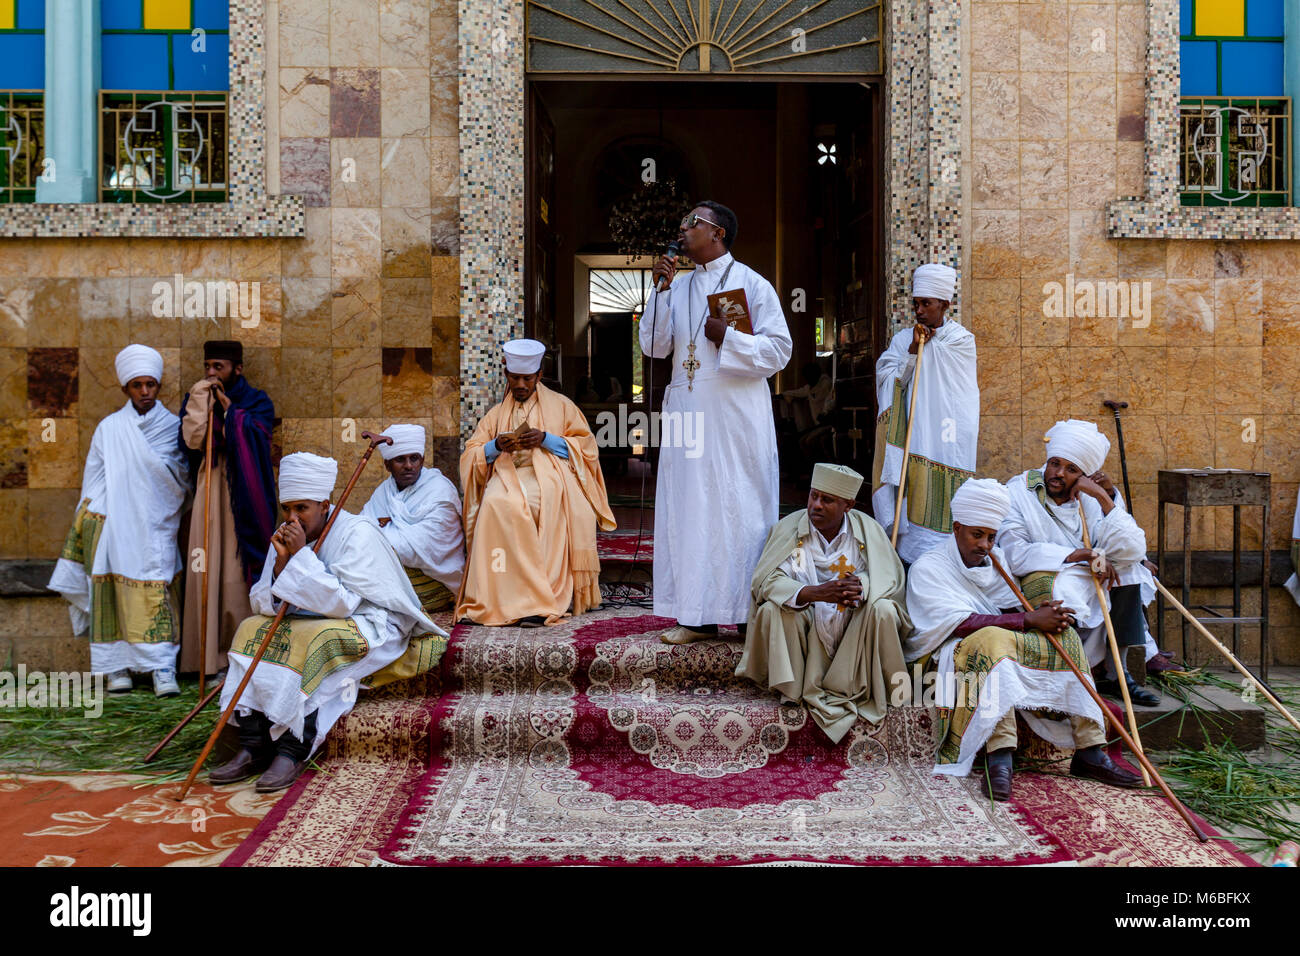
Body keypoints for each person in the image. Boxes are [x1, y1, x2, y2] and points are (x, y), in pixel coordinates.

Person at [210, 452, 447, 792]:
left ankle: (293, 748)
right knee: (249, 628)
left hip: (372, 621)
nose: (292, 518)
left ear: (324, 505)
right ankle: (253, 742)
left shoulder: (357, 533)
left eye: (302, 509)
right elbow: (262, 600)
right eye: (287, 508)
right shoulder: (288, 533)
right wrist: (280, 566)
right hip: (312, 619)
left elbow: (343, 603)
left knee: (317, 639)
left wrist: (298, 558)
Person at [905, 478, 1141, 799]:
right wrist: (1028, 619)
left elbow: (1027, 584)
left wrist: (1046, 612)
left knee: (1066, 636)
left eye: (991, 537)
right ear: (957, 527)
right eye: (977, 535)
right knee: (991, 640)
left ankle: (1090, 750)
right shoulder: (928, 567)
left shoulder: (997, 561)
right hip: (948, 654)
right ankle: (999, 756)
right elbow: (959, 624)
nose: (985, 545)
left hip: (999, 640)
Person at [641, 201, 793, 644]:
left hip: (736, 415)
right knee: (691, 507)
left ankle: (747, 614)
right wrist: (661, 291)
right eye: (684, 223)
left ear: (719, 232)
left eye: (693, 223)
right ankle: (696, 615)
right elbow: (653, 346)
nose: (683, 229)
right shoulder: (680, 286)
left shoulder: (752, 284)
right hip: (688, 412)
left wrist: (730, 337)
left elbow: (779, 351)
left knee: (740, 507)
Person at [48, 345, 189, 697]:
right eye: (137, 385)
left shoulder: (173, 428)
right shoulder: (109, 429)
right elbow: (93, 483)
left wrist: (147, 491)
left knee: (155, 593)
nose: (145, 392)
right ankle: (117, 669)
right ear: (125, 388)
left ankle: (162, 668)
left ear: (158, 386)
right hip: (110, 529)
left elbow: (181, 478)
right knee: (111, 594)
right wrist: (95, 518)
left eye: (151, 385)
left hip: (155, 524)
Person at [736, 463, 911, 742]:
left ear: (848, 505)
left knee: (884, 609)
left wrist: (861, 587)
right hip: (805, 615)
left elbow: (890, 578)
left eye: (827, 500)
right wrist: (816, 593)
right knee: (773, 609)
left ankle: (877, 688)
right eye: (813, 496)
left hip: (854, 618)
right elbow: (767, 582)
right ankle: (791, 689)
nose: (816, 505)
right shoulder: (789, 529)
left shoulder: (868, 531)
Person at [999, 419, 1161, 707]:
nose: (1058, 474)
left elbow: (1130, 547)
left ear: (1085, 476)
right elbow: (1015, 553)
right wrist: (1078, 556)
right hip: (1043, 572)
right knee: (1069, 588)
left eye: (1071, 469)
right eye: (1054, 463)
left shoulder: (1090, 498)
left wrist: (1104, 497)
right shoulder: (1018, 492)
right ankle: (1071, 673)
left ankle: (1118, 673)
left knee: (1131, 571)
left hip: (1091, 570)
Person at [457, 338, 616, 626]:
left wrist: (546, 440)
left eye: (526, 379)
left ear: (539, 376)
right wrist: (495, 446)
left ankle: (539, 599)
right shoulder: (495, 414)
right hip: (507, 475)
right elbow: (470, 454)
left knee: (538, 503)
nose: (520, 384)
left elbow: (587, 448)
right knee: (495, 505)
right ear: (506, 375)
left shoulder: (562, 406)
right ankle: (495, 599)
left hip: (551, 477)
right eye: (514, 378)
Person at [177, 339, 276, 679]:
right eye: (207, 367)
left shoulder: (256, 400)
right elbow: (192, 441)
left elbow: (260, 433)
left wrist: (231, 410)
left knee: (234, 575)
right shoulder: (198, 398)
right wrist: (201, 401)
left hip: (243, 496)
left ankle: (241, 656)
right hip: (210, 489)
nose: (211, 373)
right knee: (206, 568)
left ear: (238, 369)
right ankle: (206, 659)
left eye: (218, 367)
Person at [872, 263, 978, 564]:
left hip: (949, 435)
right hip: (915, 433)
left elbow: (963, 394)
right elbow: (889, 378)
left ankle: (945, 562)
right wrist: (911, 352)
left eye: (926, 304)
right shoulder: (903, 339)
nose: (919, 310)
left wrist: (929, 351)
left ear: (945, 305)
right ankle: (906, 559)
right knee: (913, 493)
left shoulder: (961, 341)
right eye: (916, 304)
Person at [360, 423, 464, 614]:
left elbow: (421, 546)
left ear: (422, 460)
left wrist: (381, 534)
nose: (409, 466)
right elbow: (360, 530)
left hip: (436, 581)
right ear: (387, 465)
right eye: (400, 459)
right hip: (391, 573)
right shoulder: (384, 491)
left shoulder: (440, 490)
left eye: (414, 459)